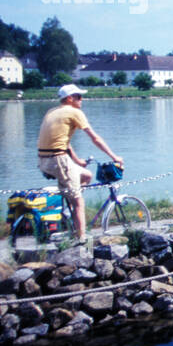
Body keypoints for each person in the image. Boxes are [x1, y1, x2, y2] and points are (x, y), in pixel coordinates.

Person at [37, 83, 124, 244]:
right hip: (58, 160)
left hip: (44, 160)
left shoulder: (52, 111)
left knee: (86, 175)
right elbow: (94, 138)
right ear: (69, 99)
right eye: (79, 96)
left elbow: (64, 142)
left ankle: (68, 215)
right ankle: (81, 239)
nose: (82, 99)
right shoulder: (74, 112)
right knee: (78, 201)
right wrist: (114, 156)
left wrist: (77, 161)